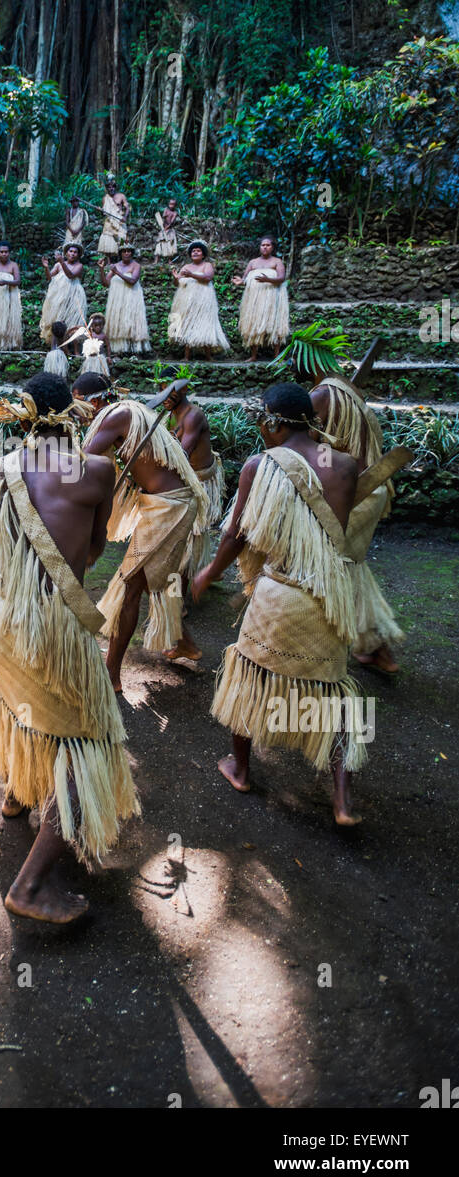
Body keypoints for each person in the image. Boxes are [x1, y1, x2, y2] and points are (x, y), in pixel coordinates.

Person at [0, 373, 140, 923]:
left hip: (6, 614)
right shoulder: (96, 470)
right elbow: (93, 550)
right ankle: (30, 886)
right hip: (55, 624)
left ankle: (17, 793)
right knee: (86, 736)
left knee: (19, 703)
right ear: (72, 414)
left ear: (23, 416)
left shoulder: (2, 468)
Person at [191, 382, 367, 825]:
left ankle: (241, 769)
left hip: (281, 593)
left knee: (249, 675)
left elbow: (237, 533)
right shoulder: (344, 463)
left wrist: (210, 573)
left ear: (272, 422)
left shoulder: (261, 465)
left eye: (261, 421)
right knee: (334, 692)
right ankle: (342, 800)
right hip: (330, 596)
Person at [83, 384, 208, 690]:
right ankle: (185, 643)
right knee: (158, 579)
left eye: (79, 401)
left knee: (131, 586)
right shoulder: (127, 413)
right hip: (166, 503)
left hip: (170, 507)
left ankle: (112, 673)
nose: (78, 411)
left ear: (95, 400)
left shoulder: (118, 415)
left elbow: (82, 461)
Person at [309, 373, 403, 673]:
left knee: (334, 562)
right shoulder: (348, 393)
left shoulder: (319, 397)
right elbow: (329, 448)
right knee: (350, 564)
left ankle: (368, 645)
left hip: (356, 492)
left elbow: (315, 449)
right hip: (369, 488)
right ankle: (373, 645)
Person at [169, 378, 225, 586]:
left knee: (193, 530)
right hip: (187, 476)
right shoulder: (170, 413)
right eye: (161, 390)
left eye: (170, 390)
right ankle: (205, 567)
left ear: (183, 389)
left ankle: (186, 583)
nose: (165, 396)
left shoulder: (193, 416)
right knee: (194, 529)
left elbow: (181, 454)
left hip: (200, 478)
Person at [167, 240, 230, 360]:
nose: (195, 252)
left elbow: (208, 277)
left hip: (203, 299)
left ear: (203, 254)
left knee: (204, 324)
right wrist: (175, 278)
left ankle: (208, 356)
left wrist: (191, 275)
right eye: (193, 251)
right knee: (187, 323)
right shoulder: (186, 267)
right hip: (186, 300)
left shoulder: (207, 265)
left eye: (198, 251)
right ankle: (186, 356)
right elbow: (178, 283)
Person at [233, 235, 289, 361]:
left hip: (272, 297)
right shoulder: (253, 262)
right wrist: (240, 282)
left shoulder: (277, 261)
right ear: (259, 247)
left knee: (275, 323)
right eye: (263, 245)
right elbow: (245, 279)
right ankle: (253, 355)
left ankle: (276, 355)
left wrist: (267, 279)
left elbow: (281, 278)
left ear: (272, 247)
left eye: (268, 245)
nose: (265, 247)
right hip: (254, 298)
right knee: (253, 323)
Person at [99, 244, 151, 354]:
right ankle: (119, 349)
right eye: (124, 251)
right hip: (117, 299)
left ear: (132, 253)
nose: (127, 253)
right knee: (118, 320)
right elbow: (106, 283)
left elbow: (133, 281)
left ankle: (134, 349)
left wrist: (117, 272)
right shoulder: (116, 266)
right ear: (120, 253)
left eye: (129, 251)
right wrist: (101, 269)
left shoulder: (136, 266)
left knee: (132, 320)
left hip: (132, 297)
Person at [39, 243, 88, 344]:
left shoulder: (79, 266)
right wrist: (46, 267)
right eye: (71, 251)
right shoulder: (58, 265)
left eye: (75, 252)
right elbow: (49, 278)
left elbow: (70, 275)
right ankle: (55, 344)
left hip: (73, 295)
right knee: (57, 318)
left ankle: (71, 346)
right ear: (66, 253)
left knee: (72, 320)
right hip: (59, 295)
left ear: (78, 255)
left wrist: (62, 262)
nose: (73, 254)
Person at [97, 178, 129, 257]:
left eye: (112, 187)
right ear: (107, 189)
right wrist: (100, 210)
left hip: (119, 221)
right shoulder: (105, 198)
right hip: (109, 222)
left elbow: (127, 208)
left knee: (122, 239)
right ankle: (109, 261)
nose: (111, 189)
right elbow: (104, 213)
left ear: (115, 187)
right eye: (109, 187)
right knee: (107, 239)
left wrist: (125, 217)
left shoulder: (121, 196)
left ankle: (122, 259)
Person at [80, 312, 112, 377]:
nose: (98, 327)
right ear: (92, 326)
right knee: (89, 373)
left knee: (100, 373)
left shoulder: (103, 336)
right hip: (90, 358)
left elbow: (108, 346)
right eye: (96, 325)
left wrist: (109, 357)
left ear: (103, 325)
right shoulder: (90, 335)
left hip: (100, 358)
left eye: (100, 325)